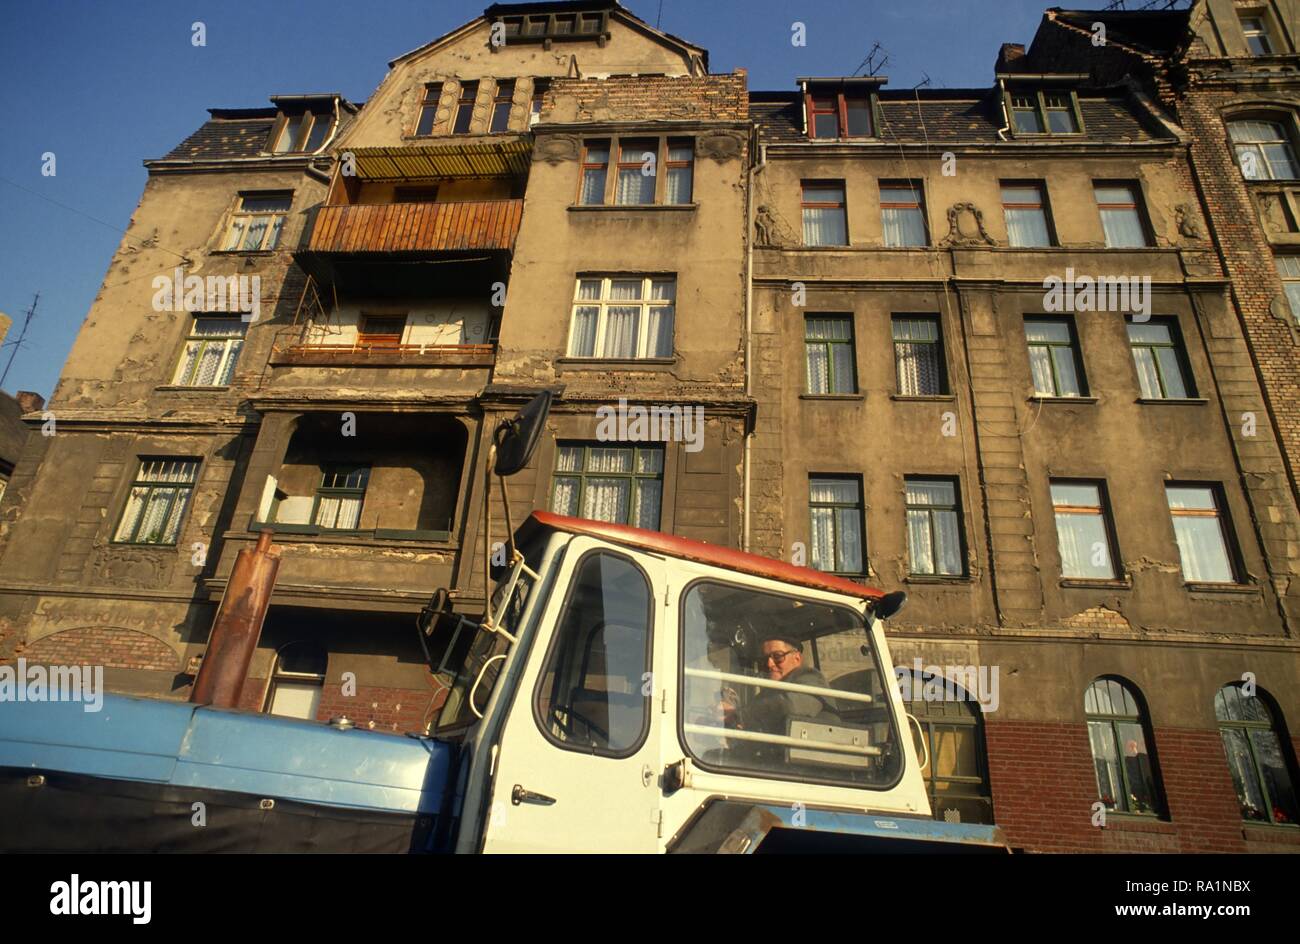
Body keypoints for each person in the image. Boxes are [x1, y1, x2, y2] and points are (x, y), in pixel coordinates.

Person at [718, 636, 839, 740]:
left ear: (797, 658)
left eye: (778, 656)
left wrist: (737, 715)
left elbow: (789, 706)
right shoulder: (770, 692)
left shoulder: (812, 678)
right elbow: (754, 710)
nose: (769, 664)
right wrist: (721, 717)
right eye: (765, 660)